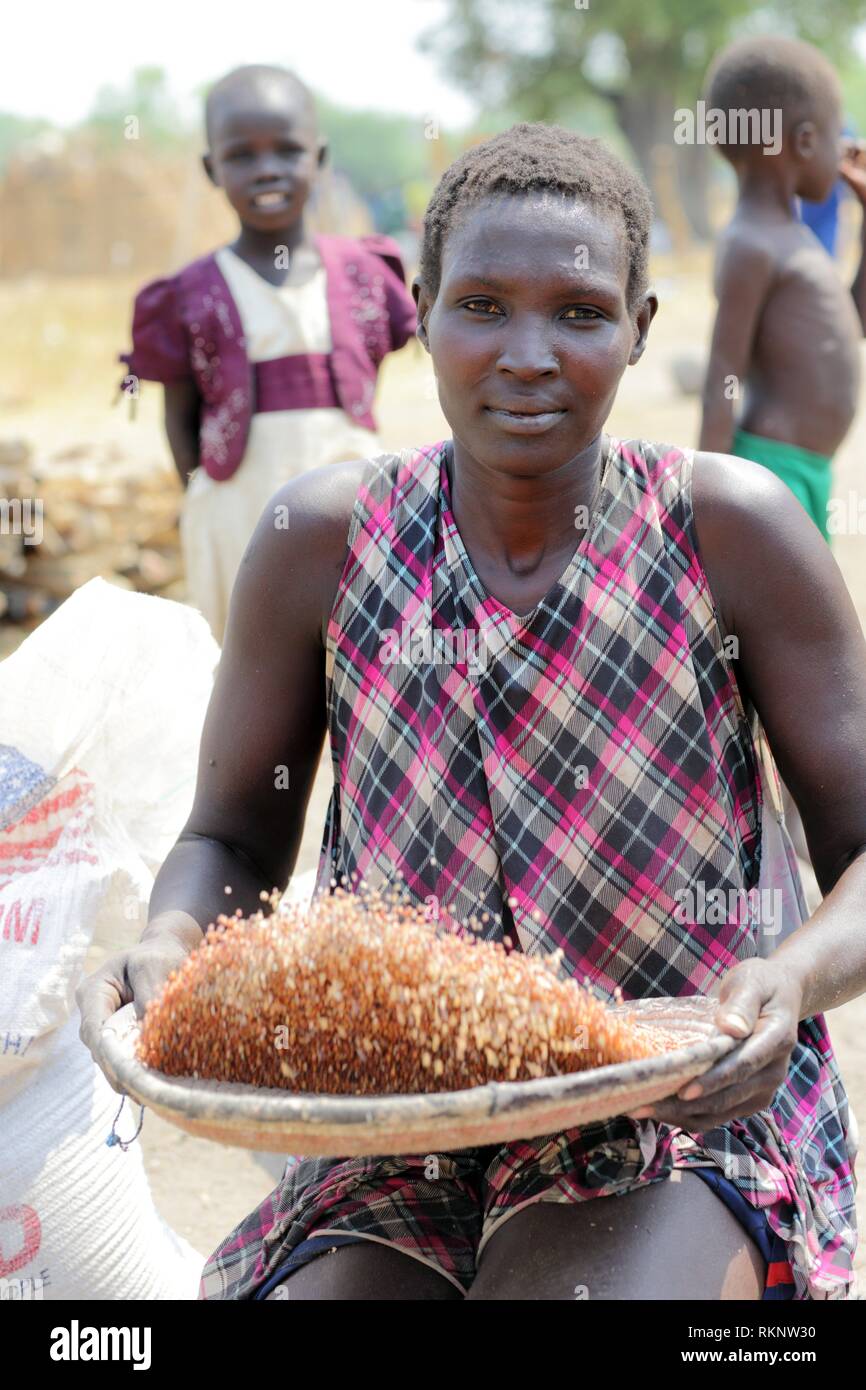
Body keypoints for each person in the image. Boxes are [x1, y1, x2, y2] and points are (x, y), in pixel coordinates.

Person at [81, 123, 866, 1301]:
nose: (528, 355)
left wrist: (788, 979)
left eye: (581, 313)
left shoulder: (726, 527)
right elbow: (232, 837)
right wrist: (170, 945)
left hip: (680, 1099)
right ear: (420, 309)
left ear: (640, 328)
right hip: (398, 1116)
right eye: (484, 306)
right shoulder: (323, 541)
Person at [120, 64, 416, 641]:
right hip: (237, 513)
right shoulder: (187, 296)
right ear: (212, 169)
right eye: (242, 156)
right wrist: (209, 497)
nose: (268, 170)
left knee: (357, 650)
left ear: (319, 157)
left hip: (350, 503)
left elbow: (366, 376)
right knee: (248, 661)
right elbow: (179, 421)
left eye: (286, 150)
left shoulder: (363, 276)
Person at [699, 36, 866, 540]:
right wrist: (705, 504)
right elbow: (720, 376)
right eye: (839, 136)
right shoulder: (753, 244)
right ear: (806, 142)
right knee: (794, 618)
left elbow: (853, 325)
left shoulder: (793, 240)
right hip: (770, 475)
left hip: (806, 471)